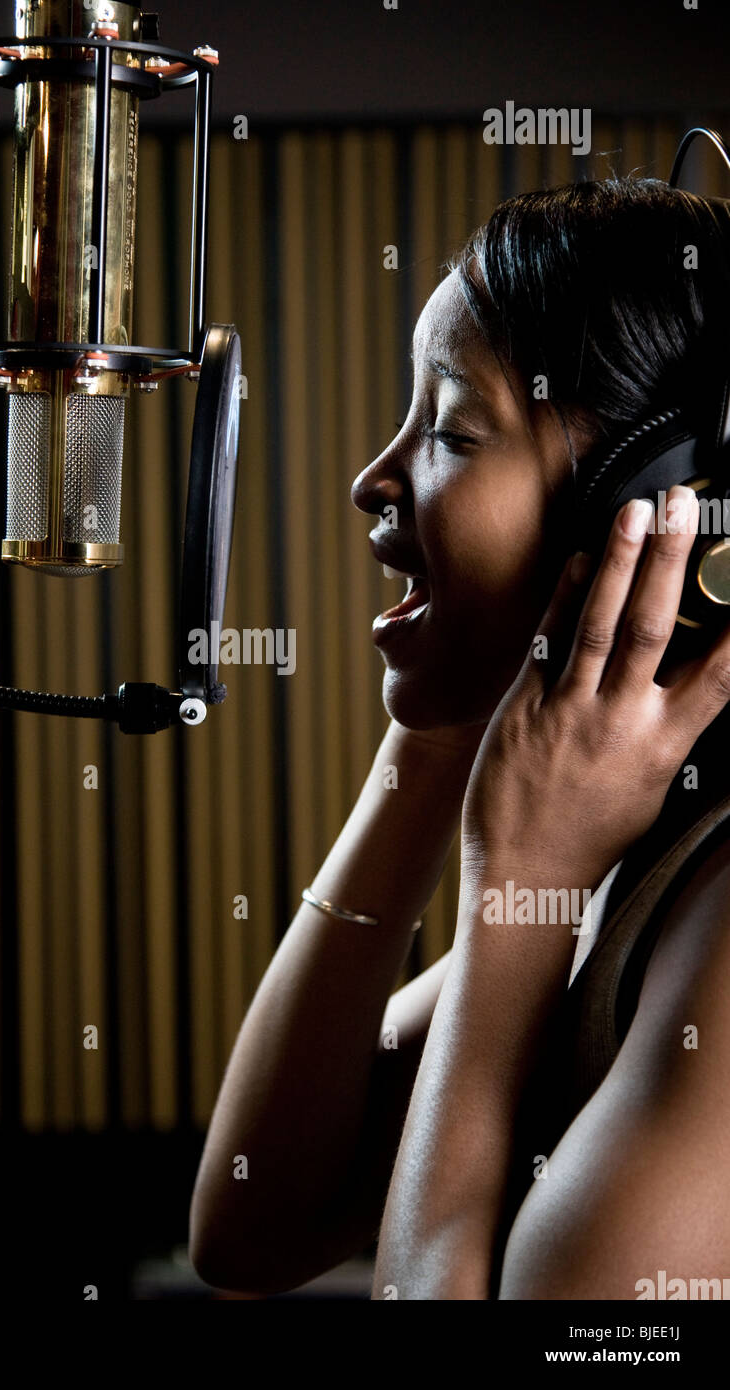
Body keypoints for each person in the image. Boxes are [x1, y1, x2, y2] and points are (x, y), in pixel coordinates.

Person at [188, 176, 730, 1299]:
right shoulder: (640, 825)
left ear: (642, 499)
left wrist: (518, 876)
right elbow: (255, 1221)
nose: (370, 480)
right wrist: (435, 743)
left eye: (449, 429)